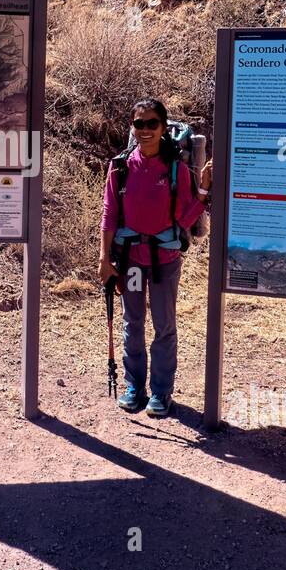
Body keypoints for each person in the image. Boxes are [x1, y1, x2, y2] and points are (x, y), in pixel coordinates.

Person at [98, 99, 206, 418]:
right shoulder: (119, 167)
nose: (145, 130)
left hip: (165, 259)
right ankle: (135, 387)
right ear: (132, 127)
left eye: (151, 123)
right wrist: (105, 259)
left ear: (163, 127)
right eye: (139, 124)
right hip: (130, 257)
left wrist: (202, 194)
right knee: (133, 322)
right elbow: (109, 213)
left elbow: (184, 218)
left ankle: (161, 391)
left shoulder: (175, 169)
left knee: (164, 325)